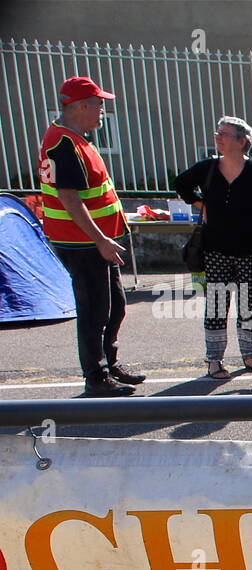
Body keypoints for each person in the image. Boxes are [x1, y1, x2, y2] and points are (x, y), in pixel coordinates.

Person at [174, 116, 252, 378]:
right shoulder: (208, 168)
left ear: (242, 141)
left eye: (225, 134)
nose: (218, 137)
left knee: (248, 305)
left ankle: (249, 355)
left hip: (251, 249)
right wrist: (201, 205)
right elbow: (181, 184)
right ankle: (214, 360)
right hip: (216, 247)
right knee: (217, 303)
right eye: (217, 133)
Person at [38, 76, 141, 396]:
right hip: (82, 242)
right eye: (99, 104)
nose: (102, 110)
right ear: (81, 106)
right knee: (94, 308)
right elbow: (69, 199)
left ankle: (109, 363)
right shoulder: (64, 143)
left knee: (115, 306)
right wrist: (99, 239)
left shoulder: (76, 138)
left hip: (94, 241)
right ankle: (96, 376)